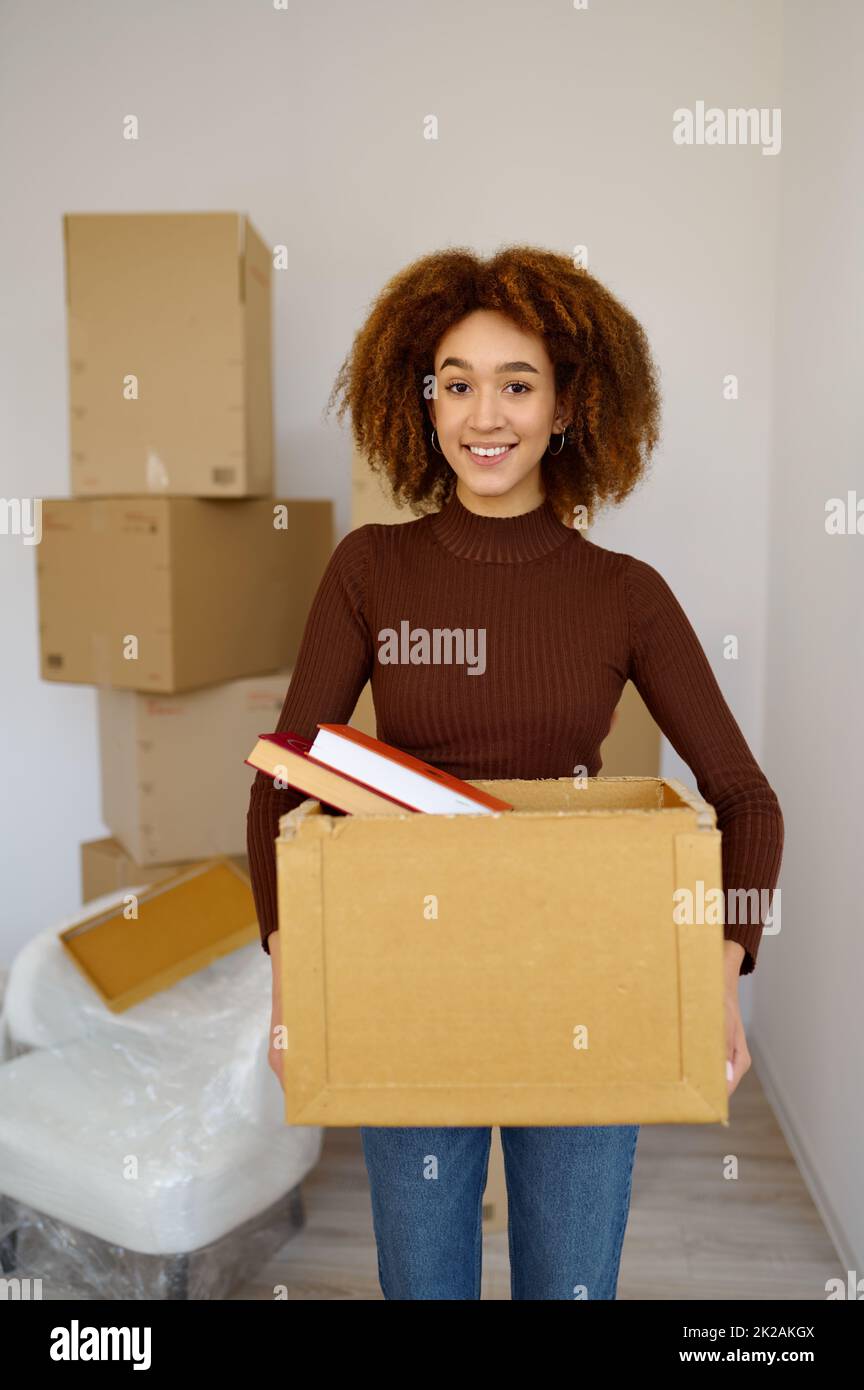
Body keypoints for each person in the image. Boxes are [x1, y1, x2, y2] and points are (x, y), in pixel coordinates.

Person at [246, 245, 784, 1300]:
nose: (483, 415)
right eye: (456, 383)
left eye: (517, 383)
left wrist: (718, 974)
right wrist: (288, 973)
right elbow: (283, 782)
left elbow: (746, 800)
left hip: (587, 972)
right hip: (406, 975)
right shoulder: (369, 568)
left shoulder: (624, 593)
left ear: (568, 405)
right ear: (423, 402)